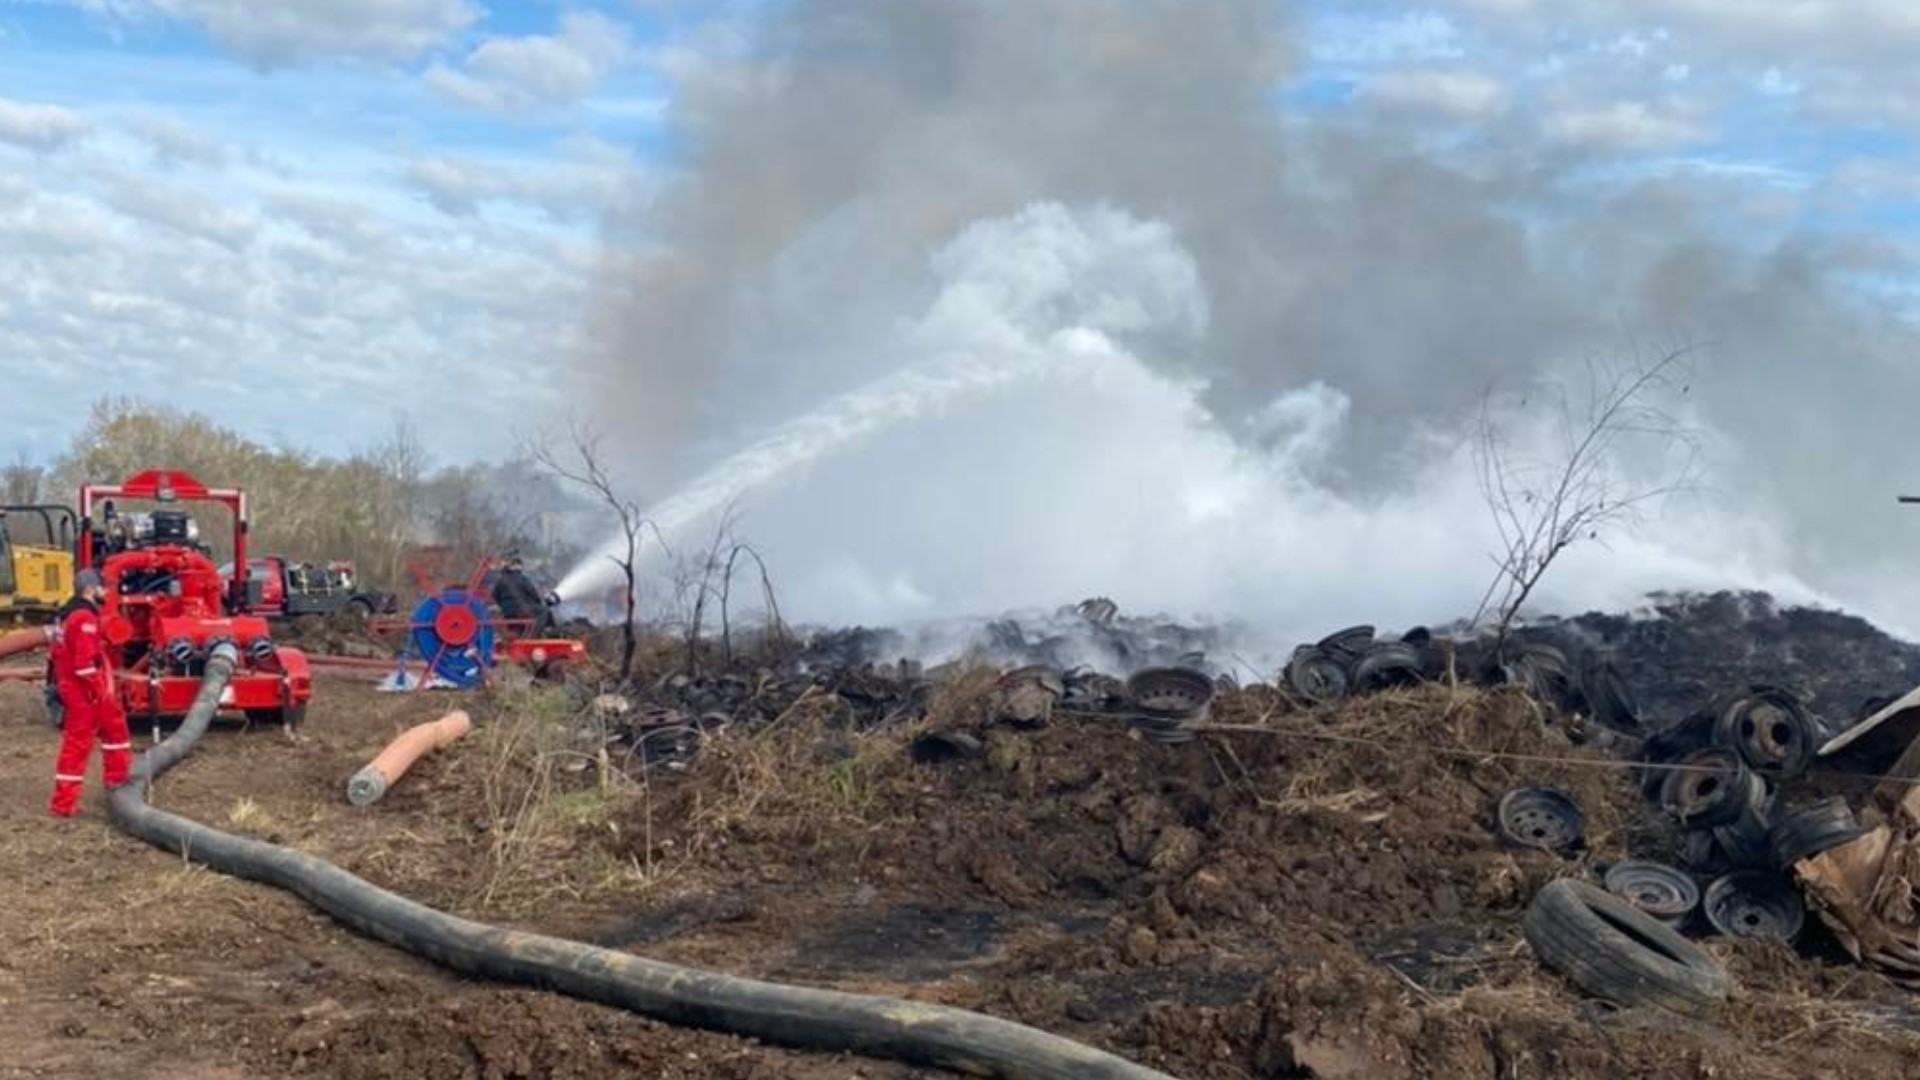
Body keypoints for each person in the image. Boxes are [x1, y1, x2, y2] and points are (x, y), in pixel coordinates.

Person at [47, 568, 131, 817]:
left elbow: (57, 654)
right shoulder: (84, 618)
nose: (105, 592)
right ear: (90, 590)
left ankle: (117, 782)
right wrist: (101, 691)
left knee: (115, 730)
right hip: (85, 693)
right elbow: (84, 665)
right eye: (102, 588)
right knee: (78, 744)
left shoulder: (66, 616)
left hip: (73, 688)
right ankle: (64, 803)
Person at [491, 555, 557, 635]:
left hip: (507, 613)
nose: (520, 567)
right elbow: (534, 594)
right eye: (519, 564)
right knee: (544, 610)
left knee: (532, 610)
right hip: (520, 611)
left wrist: (504, 606)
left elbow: (494, 596)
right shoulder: (522, 579)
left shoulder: (500, 580)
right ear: (515, 566)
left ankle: (524, 634)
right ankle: (534, 635)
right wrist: (540, 602)